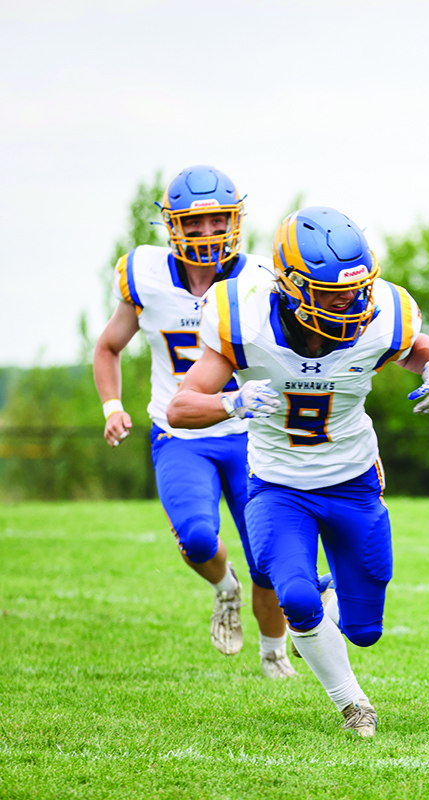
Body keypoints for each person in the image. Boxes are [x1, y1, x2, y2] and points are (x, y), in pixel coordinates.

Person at [166, 206, 429, 736]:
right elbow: (181, 408)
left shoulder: (383, 313)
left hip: (353, 483)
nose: (348, 301)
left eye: (355, 289)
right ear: (289, 286)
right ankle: (353, 703)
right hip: (278, 485)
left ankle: (332, 607)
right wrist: (232, 402)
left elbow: (428, 352)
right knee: (296, 597)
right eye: (329, 292)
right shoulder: (246, 320)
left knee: (366, 629)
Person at [92, 165, 294, 678]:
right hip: (180, 433)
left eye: (218, 220)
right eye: (195, 222)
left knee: (267, 559)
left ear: (236, 220)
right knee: (198, 538)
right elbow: (109, 347)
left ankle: (274, 655)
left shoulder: (259, 279)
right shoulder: (146, 274)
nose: (207, 233)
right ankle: (225, 590)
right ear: (172, 225)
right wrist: (112, 406)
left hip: (250, 437)